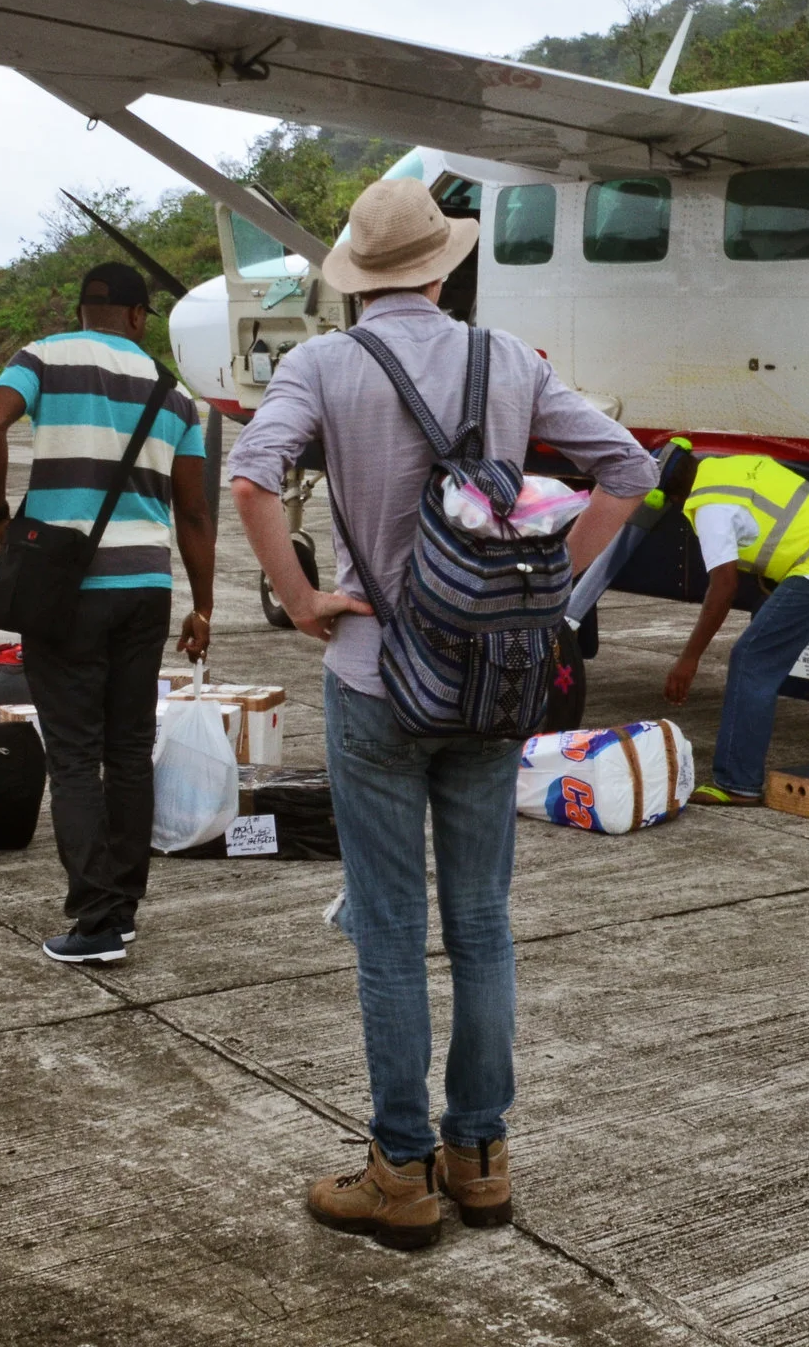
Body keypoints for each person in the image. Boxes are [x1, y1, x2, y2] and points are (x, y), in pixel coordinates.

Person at [227, 178, 653, 1252]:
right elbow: (628, 467)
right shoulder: (508, 358)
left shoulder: (322, 364)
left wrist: (301, 599)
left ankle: (401, 1172)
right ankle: (480, 1159)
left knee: (389, 931)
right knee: (481, 925)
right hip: (493, 682)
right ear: (442, 266)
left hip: (376, 676)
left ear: (357, 276)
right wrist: (546, 586)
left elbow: (252, 479)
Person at [0, 262, 214, 967]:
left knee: (75, 753)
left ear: (84, 309)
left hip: (66, 588)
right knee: (129, 750)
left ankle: (98, 919)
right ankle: (123, 907)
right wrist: (202, 606)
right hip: (145, 588)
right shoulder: (175, 393)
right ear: (139, 315)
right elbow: (194, 512)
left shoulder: (43, 356)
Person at [658, 449, 809, 804]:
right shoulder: (732, 465)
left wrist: (689, 658)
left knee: (751, 659)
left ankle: (737, 783)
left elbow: (724, 586)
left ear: (675, 497)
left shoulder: (710, 509)